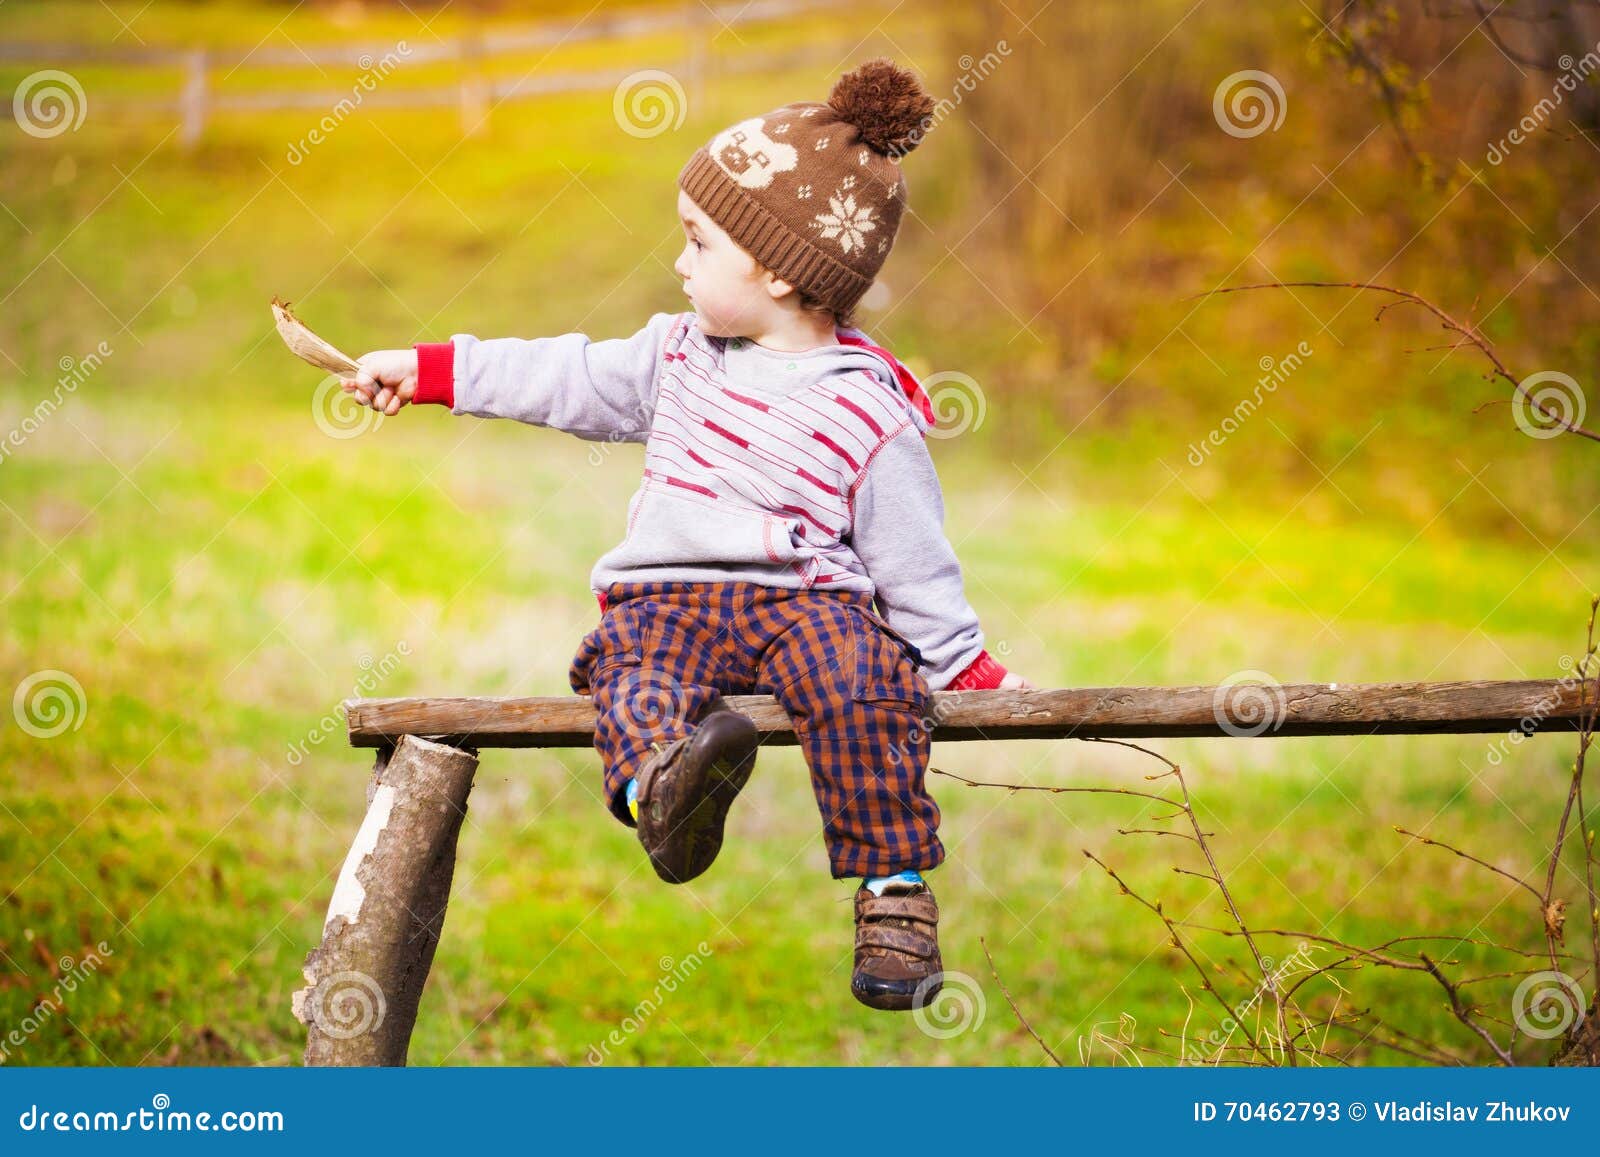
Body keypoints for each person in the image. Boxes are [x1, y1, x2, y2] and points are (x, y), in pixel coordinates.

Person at [342, 58, 1033, 1013]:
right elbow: (559, 376)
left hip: (808, 605)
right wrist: (427, 371)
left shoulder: (870, 408)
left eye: (699, 243)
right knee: (629, 674)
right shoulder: (673, 356)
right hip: (665, 598)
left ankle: (894, 896)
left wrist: (959, 660)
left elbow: (912, 557)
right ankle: (665, 795)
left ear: (782, 269)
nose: (679, 263)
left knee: (866, 679)